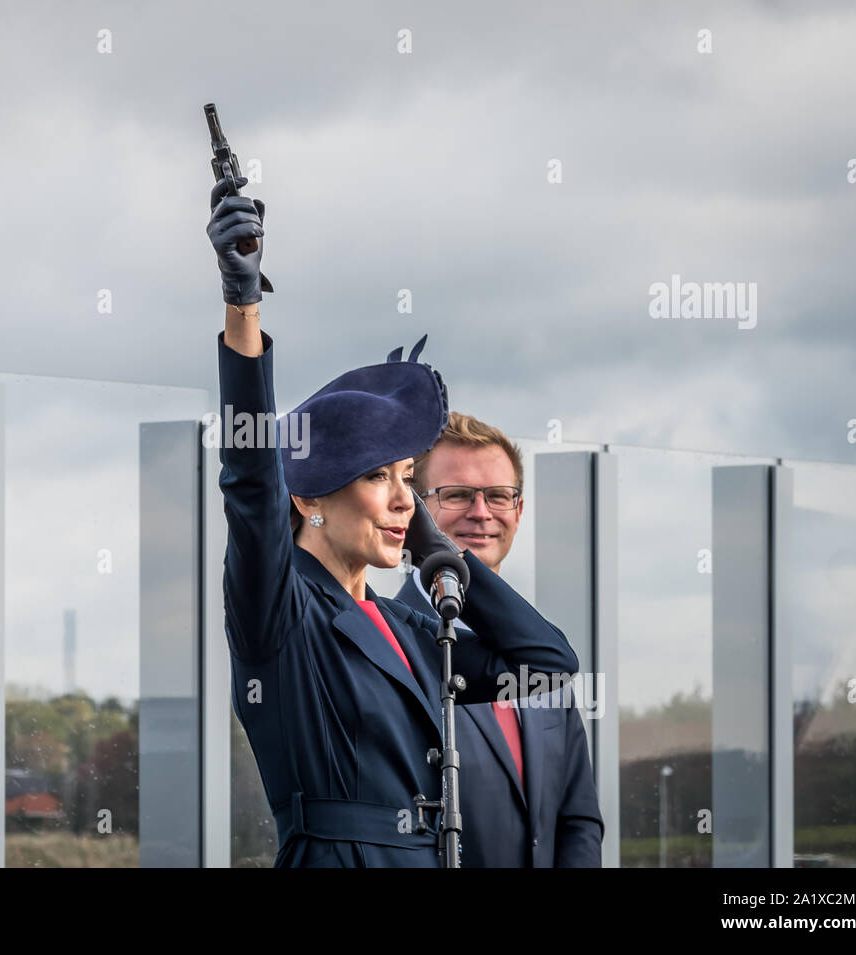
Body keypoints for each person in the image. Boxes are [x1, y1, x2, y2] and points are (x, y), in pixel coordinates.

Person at [207, 170, 580, 867]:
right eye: (377, 477)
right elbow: (250, 481)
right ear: (308, 497)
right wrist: (243, 307)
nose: (404, 498)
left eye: (407, 477)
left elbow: (548, 662)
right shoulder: (281, 612)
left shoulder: (412, 629)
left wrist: (442, 555)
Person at [394, 413, 603, 866]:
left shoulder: (538, 649)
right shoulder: (392, 643)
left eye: (499, 496)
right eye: (457, 495)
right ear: (413, 510)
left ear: (520, 510)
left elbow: (578, 819)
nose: (482, 512)